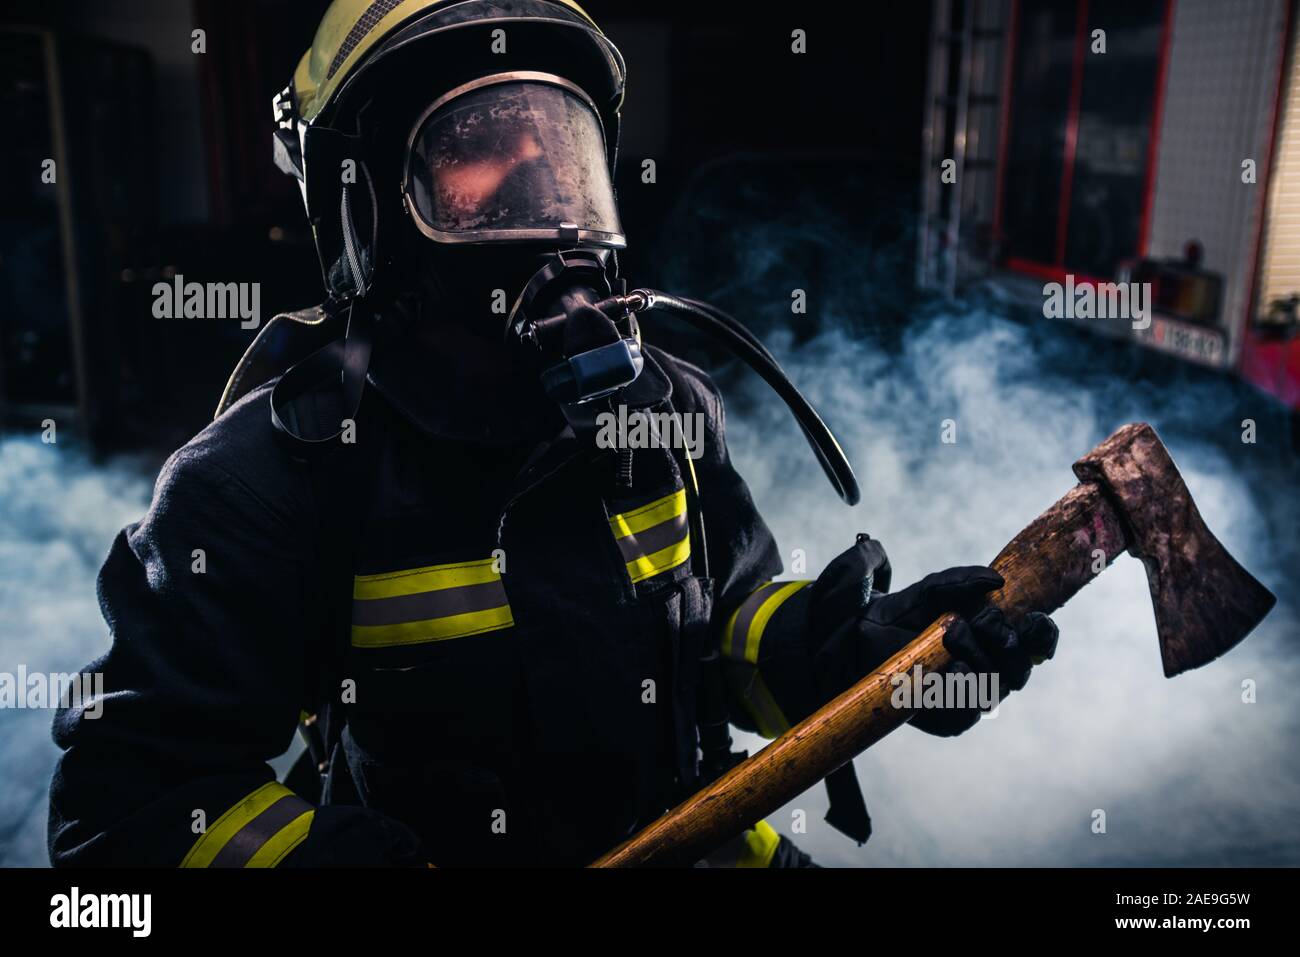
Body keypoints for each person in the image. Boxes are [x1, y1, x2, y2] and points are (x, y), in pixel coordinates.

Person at [48, 0, 1057, 868]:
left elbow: (727, 631)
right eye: (482, 154)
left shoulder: (659, 409)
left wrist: (849, 656)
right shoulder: (270, 482)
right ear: (365, 215)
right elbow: (126, 811)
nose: (550, 208)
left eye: (560, 154)